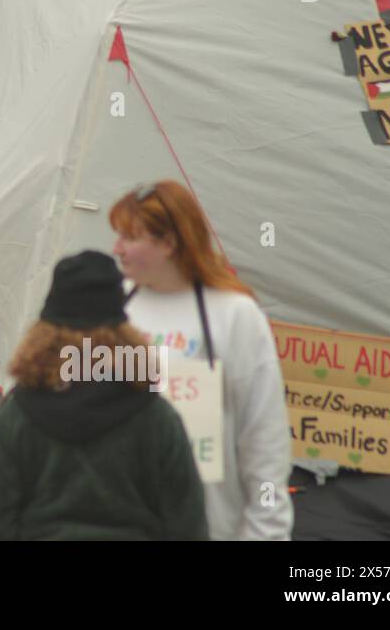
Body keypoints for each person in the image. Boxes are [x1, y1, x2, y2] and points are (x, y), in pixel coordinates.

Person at [0, 250, 208, 541]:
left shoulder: (18, 415)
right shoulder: (158, 418)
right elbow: (188, 525)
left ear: (45, 331)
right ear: (123, 332)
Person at [110, 181, 292, 540]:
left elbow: (264, 441)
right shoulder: (111, 308)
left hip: (205, 526)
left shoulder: (234, 315)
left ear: (169, 243)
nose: (117, 250)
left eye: (130, 238)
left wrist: (265, 533)